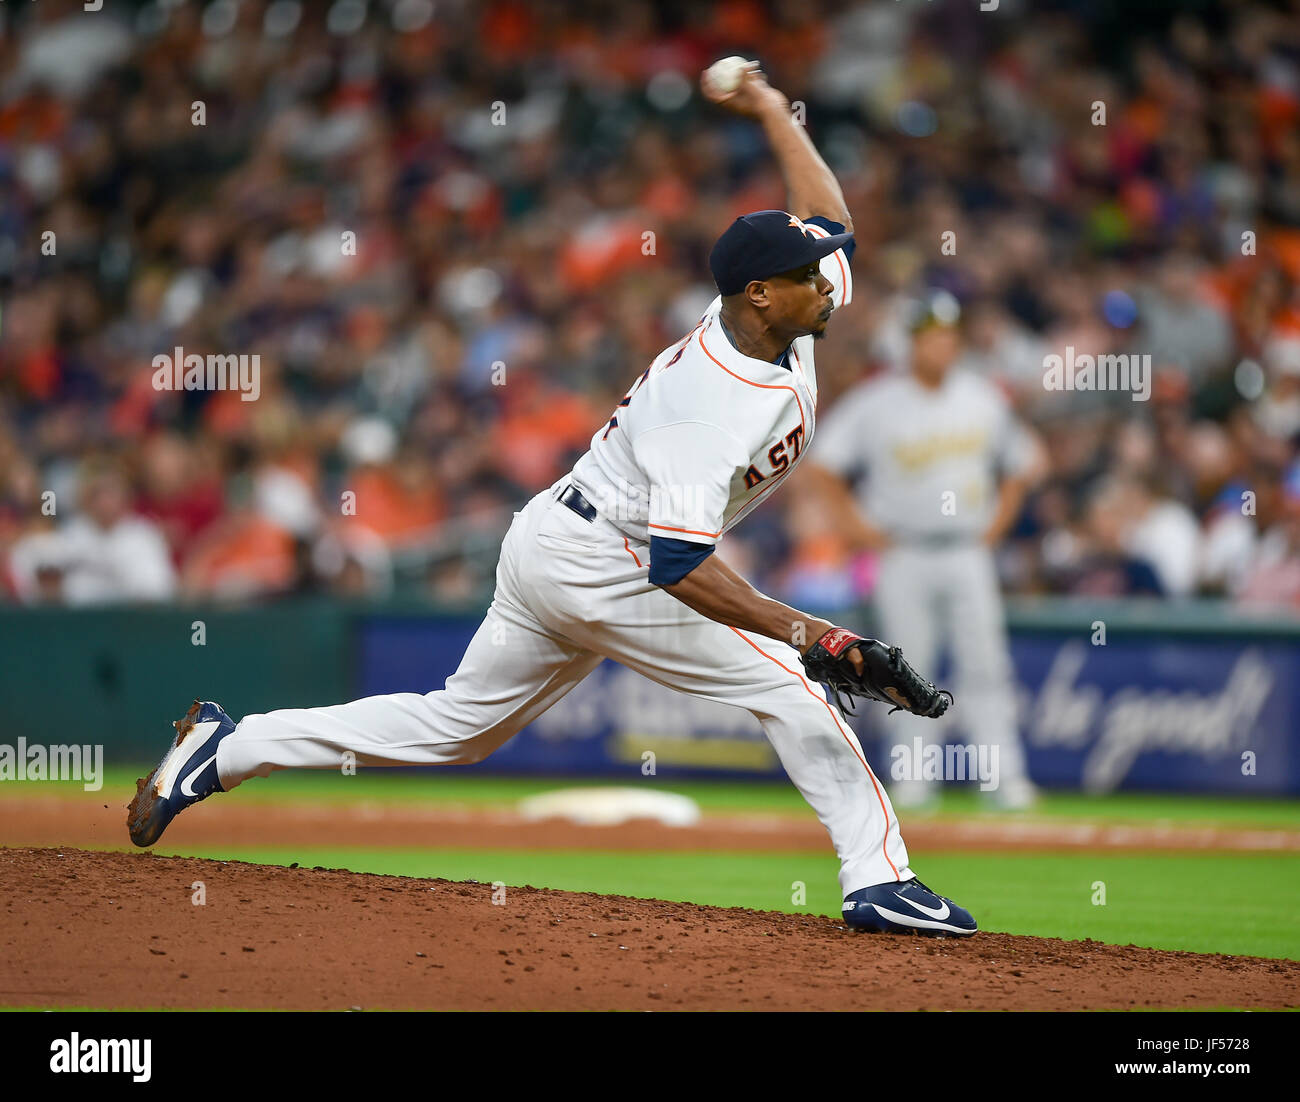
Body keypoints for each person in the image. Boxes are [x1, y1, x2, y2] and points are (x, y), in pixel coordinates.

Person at [128, 63, 977, 937]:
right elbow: (677, 563)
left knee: (453, 729)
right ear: (761, 292)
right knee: (795, 684)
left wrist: (768, 106)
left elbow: (829, 214)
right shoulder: (706, 410)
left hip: (555, 537)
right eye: (809, 271)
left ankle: (225, 748)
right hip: (606, 559)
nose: (830, 275)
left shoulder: (781, 311)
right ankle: (879, 880)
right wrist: (816, 635)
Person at [804, 291, 1044, 810]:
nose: (941, 344)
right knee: (906, 667)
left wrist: (995, 528)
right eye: (930, 335)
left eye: (948, 335)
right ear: (912, 341)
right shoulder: (878, 400)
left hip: (966, 550)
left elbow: (1024, 464)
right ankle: (914, 778)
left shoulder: (982, 395)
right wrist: (855, 527)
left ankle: (1003, 778)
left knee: (985, 664)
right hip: (903, 552)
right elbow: (824, 465)